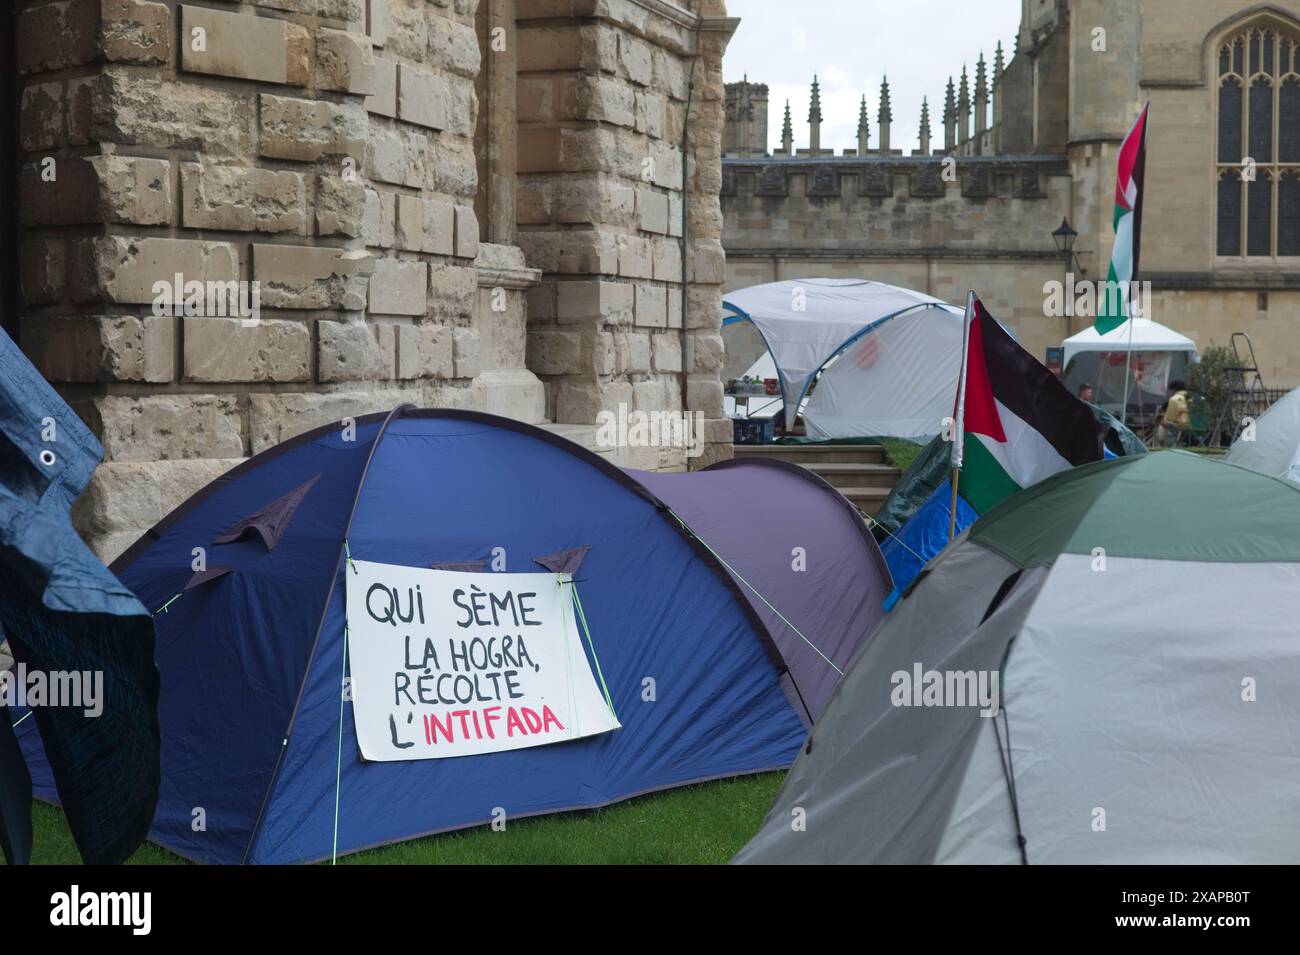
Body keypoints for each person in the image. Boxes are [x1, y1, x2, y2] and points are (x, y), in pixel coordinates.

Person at [1158, 379, 1190, 447]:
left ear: (1175, 389)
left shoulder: (1174, 399)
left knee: (1163, 424)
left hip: (1180, 424)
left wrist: (1163, 419)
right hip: (1191, 424)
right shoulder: (1189, 397)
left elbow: (1170, 417)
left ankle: (1161, 445)